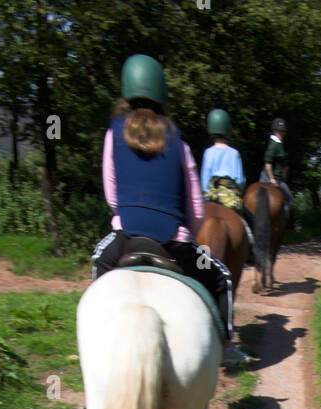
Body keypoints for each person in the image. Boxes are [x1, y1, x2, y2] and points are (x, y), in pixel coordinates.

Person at [90, 55, 234, 345]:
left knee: (98, 262)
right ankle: (227, 344)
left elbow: (111, 195)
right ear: (162, 93)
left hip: (125, 235)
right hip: (175, 242)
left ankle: (95, 338)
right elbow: (195, 206)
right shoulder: (178, 142)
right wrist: (188, 233)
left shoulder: (112, 133)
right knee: (223, 278)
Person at [200, 109, 246, 211]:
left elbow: (204, 182)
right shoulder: (234, 153)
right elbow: (240, 181)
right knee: (250, 220)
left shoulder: (208, 152)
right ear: (228, 129)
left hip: (212, 197)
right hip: (230, 199)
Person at [260, 116, 296, 228]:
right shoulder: (274, 144)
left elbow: (282, 162)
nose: (281, 133)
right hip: (270, 178)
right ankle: (288, 224)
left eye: (282, 131)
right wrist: (272, 179)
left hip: (277, 177)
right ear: (274, 131)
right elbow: (268, 162)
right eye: (279, 131)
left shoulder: (279, 144)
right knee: (290, 198)